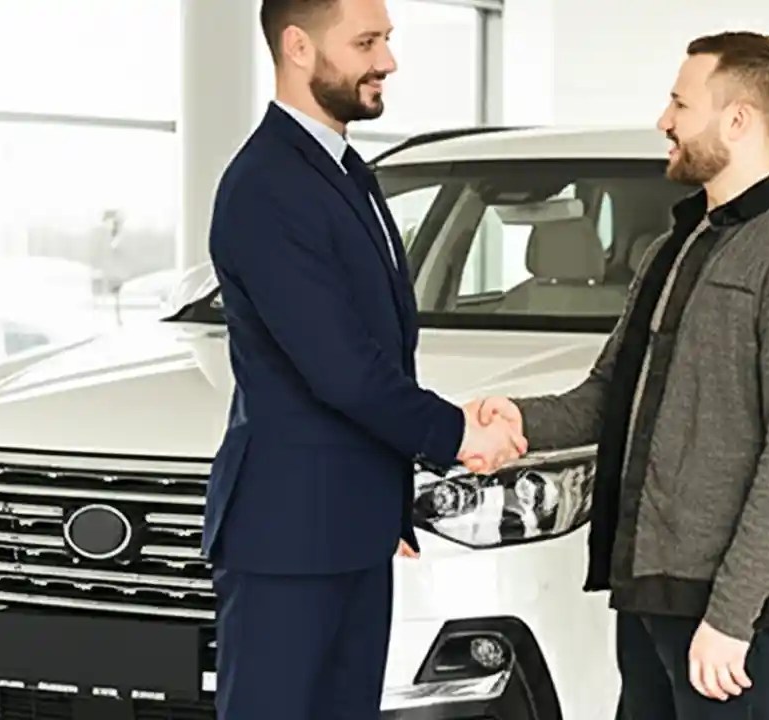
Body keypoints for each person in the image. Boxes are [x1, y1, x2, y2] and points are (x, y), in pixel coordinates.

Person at [467, 31, 769, 719]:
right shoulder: (674, 250)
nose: (665, 120)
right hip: (652, 589)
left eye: (680, 103)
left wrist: (734, 616)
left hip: (728, 615)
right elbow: (610, 393)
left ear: (737, 119)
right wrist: (520, 417)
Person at [201, 0, 526, 717]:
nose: (388, 60)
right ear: (297, 47)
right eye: (367, 41)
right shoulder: (266, 184)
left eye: (388, 39)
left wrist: (392, 494)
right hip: (288, 541)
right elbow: (340, 367)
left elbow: (376, 348)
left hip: (348, 528)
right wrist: (458, 434)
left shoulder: (346, 170)